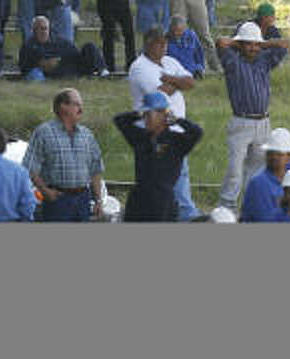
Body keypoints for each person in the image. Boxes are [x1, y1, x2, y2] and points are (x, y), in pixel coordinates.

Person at [216, 21, 290, 212]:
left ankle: (250, 208)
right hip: (241, 121)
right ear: (240, 45)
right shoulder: (233, 61)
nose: (253, 48)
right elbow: (220, 42)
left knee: (257, 170)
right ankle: (226, 209)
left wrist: (262, 44)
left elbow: (285, 45)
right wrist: (239, 42)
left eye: (256, 44)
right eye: (249, 44)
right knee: (235, 170)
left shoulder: (263, 60)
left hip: (263, 121)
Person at [128, 28, 200, 221]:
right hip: (153, 133)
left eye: (165, 43)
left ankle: (183, 213)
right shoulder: (139, 67)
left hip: (175, 131)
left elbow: (191, 82)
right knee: (163, 182)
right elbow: (159, 95)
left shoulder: (170, 62)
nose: (163, 47)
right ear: (147, 43)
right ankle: (186, 216)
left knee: (180, 178)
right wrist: (178, 82)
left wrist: (170, 79)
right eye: (159, 43)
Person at [114, 92, 203, 222]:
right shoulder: (140, 137)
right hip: (139, 199)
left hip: (163, 202)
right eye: (144, 115)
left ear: (163, 114)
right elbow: (120, 120)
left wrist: (178, 120)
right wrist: (138, 114)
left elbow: (197, 132)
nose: (146, 119)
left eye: (149, 114)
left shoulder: (176, 141)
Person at [23, 88, 105, 222]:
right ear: (63, 106)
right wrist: (45, 191)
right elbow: (30, 167)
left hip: (83, 199)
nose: (81, 109)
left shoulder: (87, 134)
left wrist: (98, 200)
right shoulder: (44, 132)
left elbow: (96, 169)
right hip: (58, 200)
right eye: (77, 104)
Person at [19, 15, 108, 81]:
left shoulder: (60, 41)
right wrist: (41, 65)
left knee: (89, 46)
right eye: (39, 29)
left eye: (45, 29)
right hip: (49, 74)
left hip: (72, 68)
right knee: (36, 76)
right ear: (34, 30)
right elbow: (24, 67)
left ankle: (103, 72)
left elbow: (75, 53)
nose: (43, 32)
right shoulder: (28, 46)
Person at [239, 128, 290, 223]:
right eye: (270, 153)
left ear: (289, 157)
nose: (273, 157)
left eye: (279, 154)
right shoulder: (259, 184)